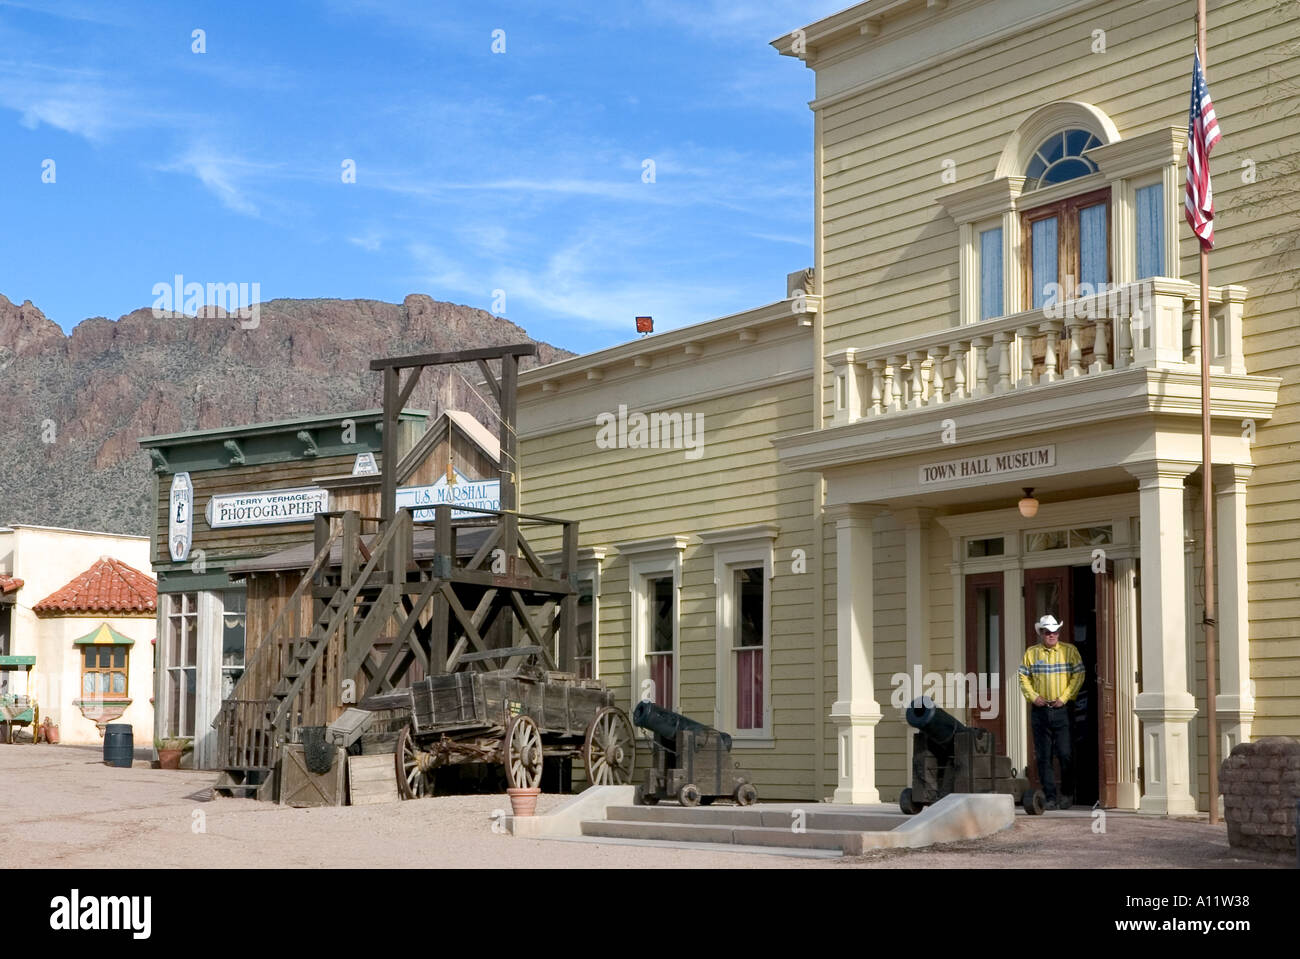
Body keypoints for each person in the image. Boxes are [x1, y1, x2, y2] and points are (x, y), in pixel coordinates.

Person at [1018, 614, 1085, 810]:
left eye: (1055, 631)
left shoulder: (1069, 651)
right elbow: (1023, 677)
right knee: (1043, 756)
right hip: (1040, 711)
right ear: (1041, 633)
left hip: (1062, 709)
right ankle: (1050, 797)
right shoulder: (1031, 653)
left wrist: (1064, 697)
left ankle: (1066, 794)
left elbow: (1079, 674)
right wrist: (1033, 697)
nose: (1052, 635)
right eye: (1048, 632)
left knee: (1065, 754)